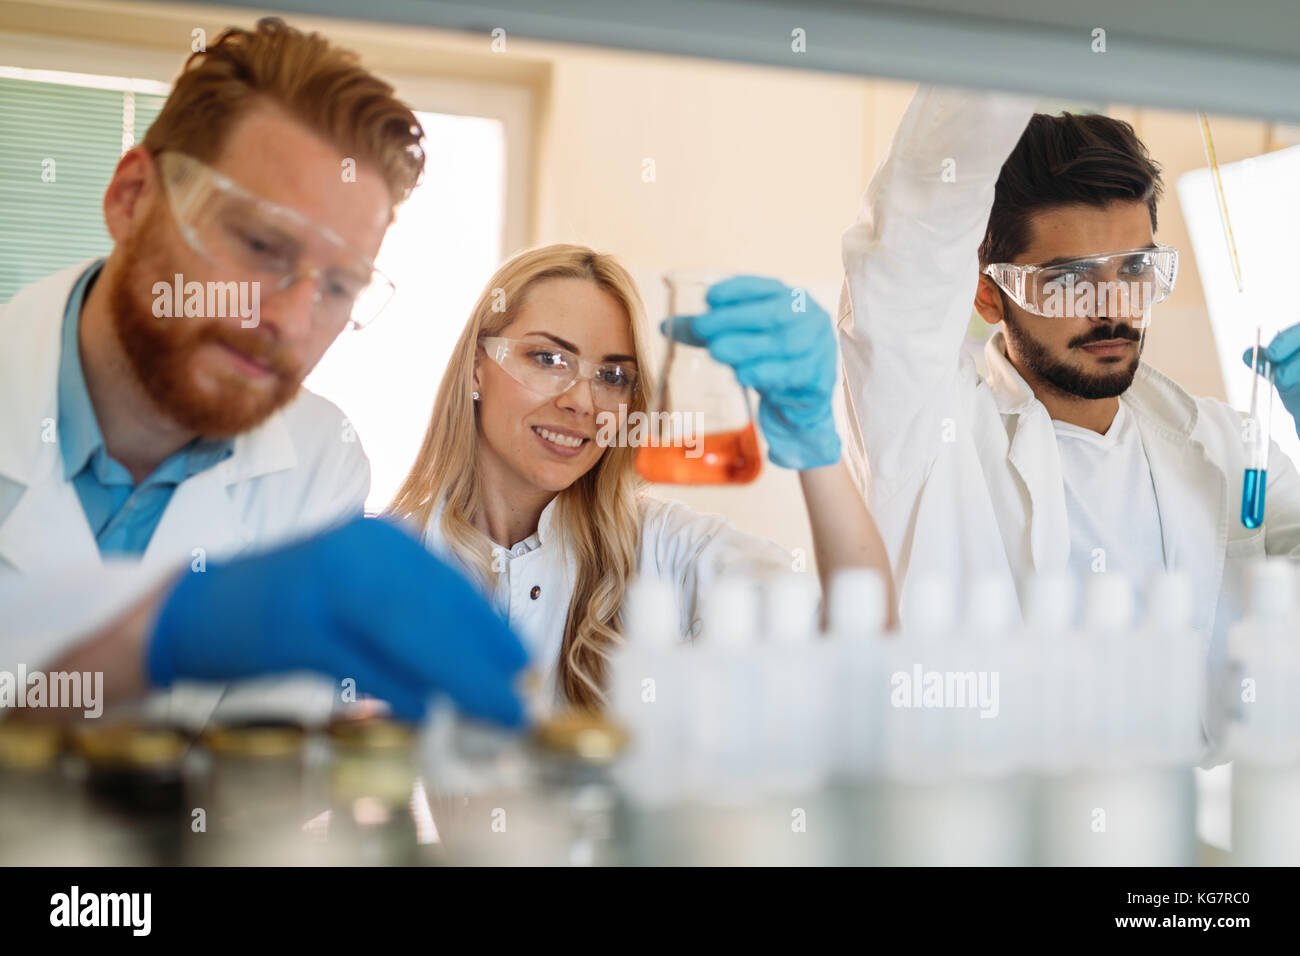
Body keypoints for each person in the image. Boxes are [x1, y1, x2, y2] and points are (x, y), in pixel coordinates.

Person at [0, 18, 527, 728]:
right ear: (131, 198)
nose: (290, 319)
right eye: (259, 243)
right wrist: (154, 631)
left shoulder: (318, 460)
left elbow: (249, 791)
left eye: (340, 285)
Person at [836, 85, 1300, 751]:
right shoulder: (928, 437)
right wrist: (1029, 35)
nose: (1113, 308)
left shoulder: (1229, 445)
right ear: (988, 296)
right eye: (1067, 280)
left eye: (1136, 268)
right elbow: (913, 229)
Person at [388, 243, 895, 710]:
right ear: (477, 366)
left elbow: (865, 642)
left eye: (612, 376)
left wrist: (815, 448)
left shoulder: (663, 549)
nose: (581, 402)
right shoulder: (388, 554)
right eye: (548, 358)